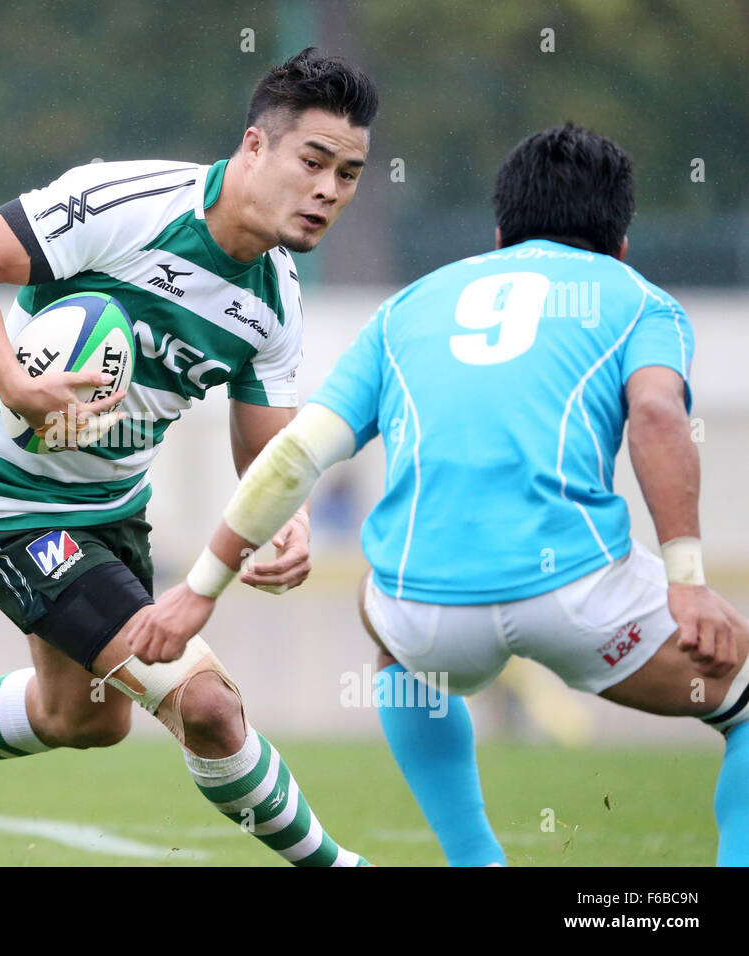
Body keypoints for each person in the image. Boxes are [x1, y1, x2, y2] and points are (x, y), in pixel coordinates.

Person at [132, 123, 749, 866]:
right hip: (580, 594)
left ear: (500, 234)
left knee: (388, 632)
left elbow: (296, 452)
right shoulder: (639, 299)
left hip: (427, 614)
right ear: (620, 245)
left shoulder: (409, 307)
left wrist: (200, 589)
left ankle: (474, 859)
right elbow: (656, 414)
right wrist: (688, 584)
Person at [0, 48, 379, 867]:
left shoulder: (276, 302)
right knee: (206, 707)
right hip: (6, 504)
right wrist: (18, 386)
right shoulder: (128, 205)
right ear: (255, 146)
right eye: (314, 161)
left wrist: (288, 518)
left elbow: (265, 444)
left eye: (349, 174)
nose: (329, 189)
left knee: (84, 720)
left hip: (113, 513)